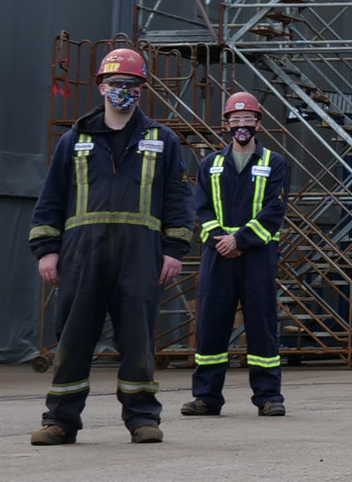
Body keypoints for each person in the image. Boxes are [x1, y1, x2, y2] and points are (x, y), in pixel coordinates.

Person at [28, 47, 196, 445]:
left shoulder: (163, 140)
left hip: (140, 255)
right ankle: (60, 420)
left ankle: (142, 418)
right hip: (82, 254)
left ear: (142, 89)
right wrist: (47, 249)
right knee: (73, 338)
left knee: (137, 337)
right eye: (116, 83)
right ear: (101, 86)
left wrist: (174, 249)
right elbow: (51, 197)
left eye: (132, 85)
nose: (123, 90)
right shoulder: (74, 140)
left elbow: (177, 199)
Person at [180, 91, 291, 417]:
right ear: (226, 124)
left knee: (262, 324)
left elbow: (275, 210)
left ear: (258, 123)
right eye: (235, 120)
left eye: (247, 120)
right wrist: (221, 240)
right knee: (211, 323)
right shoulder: (210, 164)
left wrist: (240, 240)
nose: (241, 126)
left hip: (257, 254)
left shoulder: (275, 163)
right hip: (218, 255)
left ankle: (269, 397)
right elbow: (201, 208)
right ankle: (206, 397)